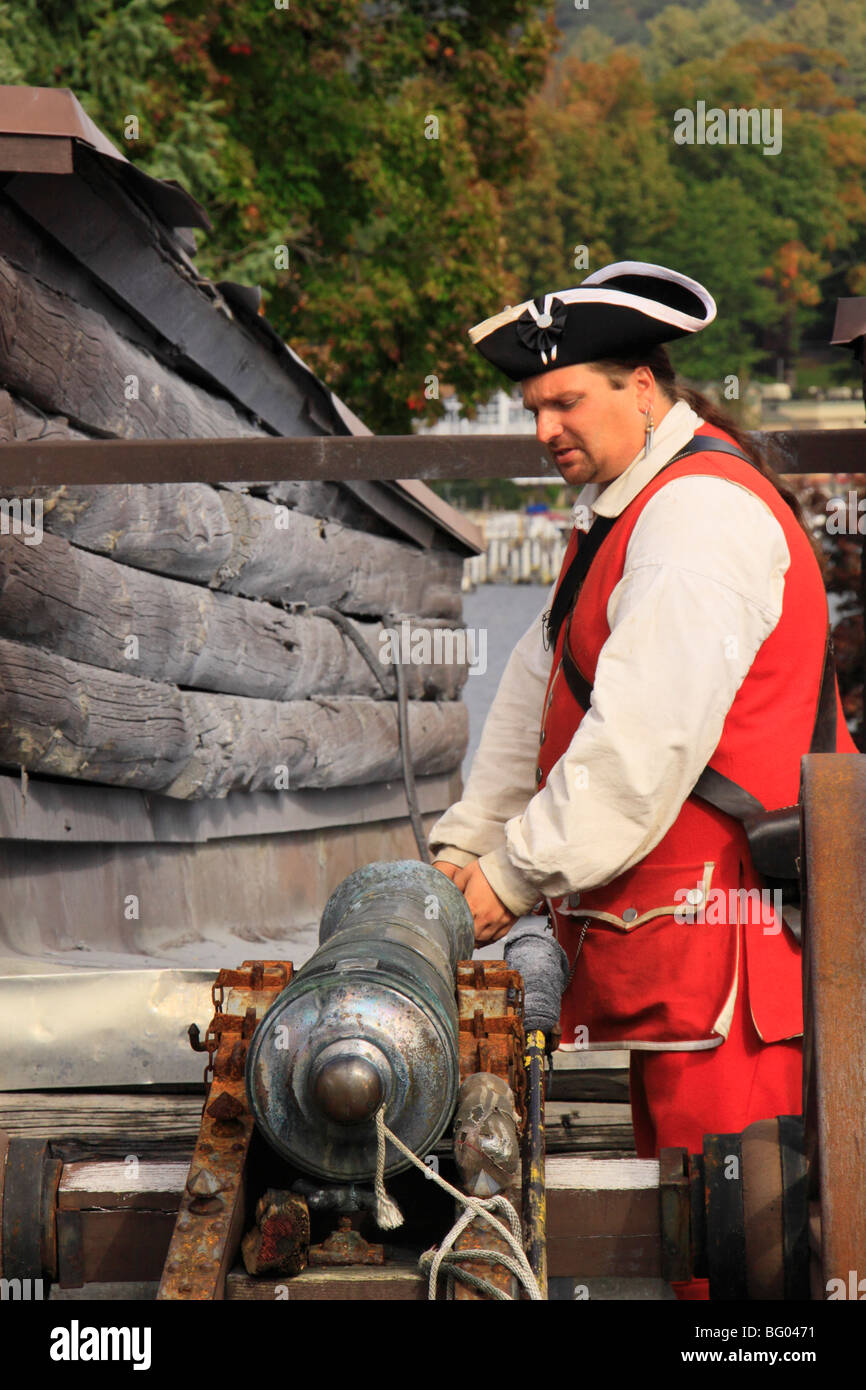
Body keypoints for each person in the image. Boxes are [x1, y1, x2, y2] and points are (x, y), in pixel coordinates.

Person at [428, 263, 856, 1251]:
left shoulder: (692, 517)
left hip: (728, 967)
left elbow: (634, 749)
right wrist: (462, 849)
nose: (542, 431)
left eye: (565, 401)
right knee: (686, 1239)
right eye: (532, 408)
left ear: (642, 385)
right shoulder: (629, 513)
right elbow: (535, 701)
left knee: (734, 1249)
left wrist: (503, 878)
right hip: (672, 966)